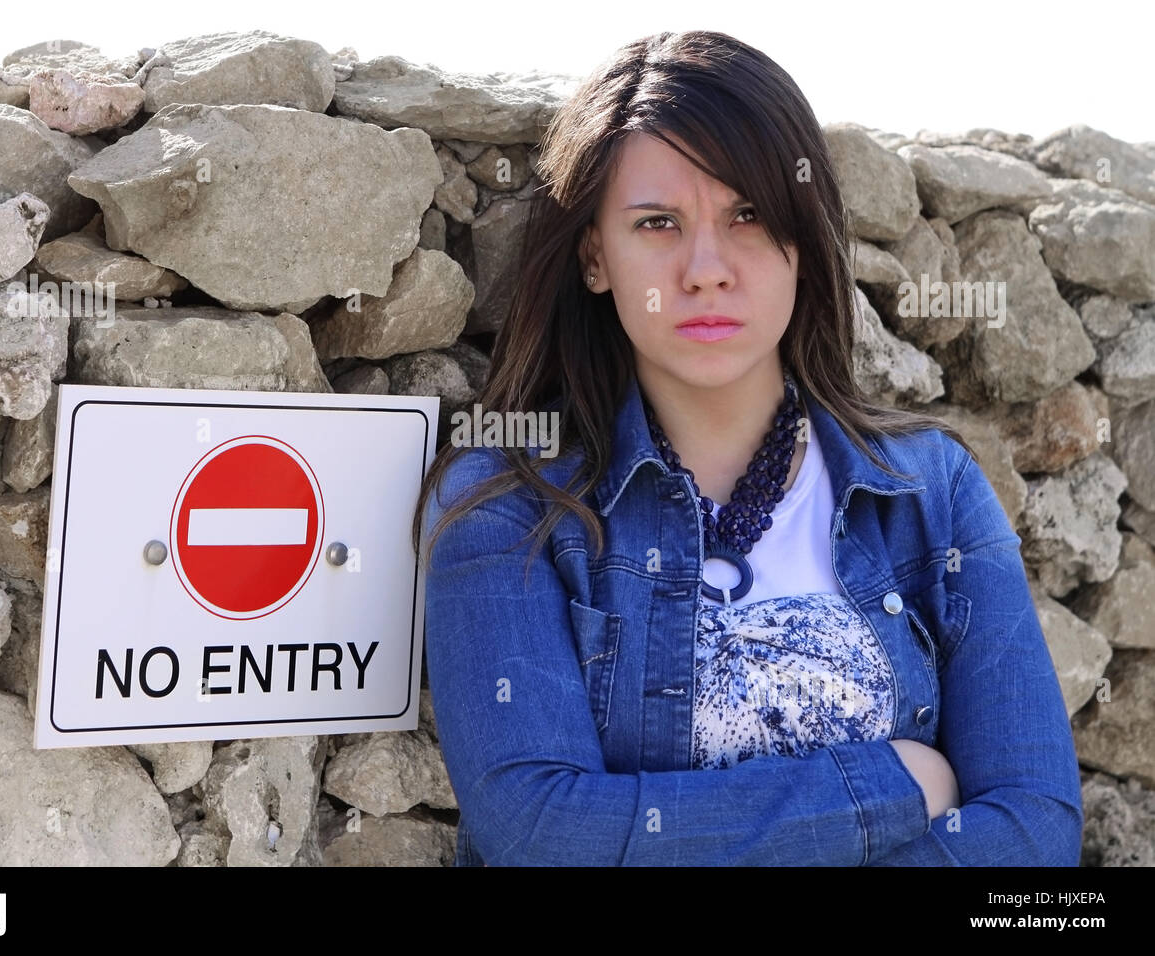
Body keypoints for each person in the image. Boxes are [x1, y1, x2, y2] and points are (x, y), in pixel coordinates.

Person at [410, 30, 1083, 866]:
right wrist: (892, 786)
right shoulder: (507, 505)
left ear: (802, 241)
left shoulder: (931, 494)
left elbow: (1034, 832)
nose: (706, 268)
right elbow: (540, 832)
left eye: (750, 216)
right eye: (657, 223)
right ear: (594, 257)